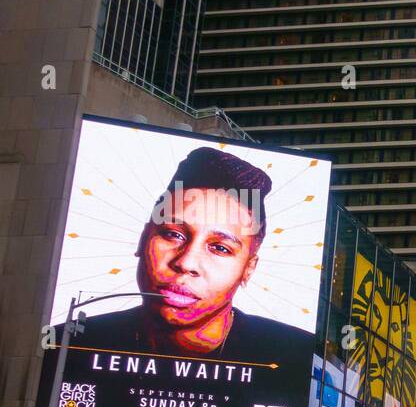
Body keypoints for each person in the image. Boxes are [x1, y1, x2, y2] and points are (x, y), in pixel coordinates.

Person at [59, 147, 312, 367]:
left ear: (248, 269)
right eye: (173, 234)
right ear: (143, 238)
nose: (186, 263)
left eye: (220, 248)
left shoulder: (294, 355)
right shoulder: (67, 346)